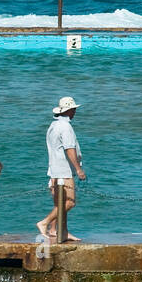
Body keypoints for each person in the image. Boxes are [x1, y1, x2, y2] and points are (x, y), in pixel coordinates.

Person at [38, 97, 85, 242]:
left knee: (60, 203)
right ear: (69, 111)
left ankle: (57, 231)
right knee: (70, 202)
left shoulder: (53, 125)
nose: (75, 111)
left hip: (54, 169)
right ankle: (44, 223)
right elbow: (69, 148)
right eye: (74, 109)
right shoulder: (66, 127)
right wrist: (78, 169)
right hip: (64, 171)